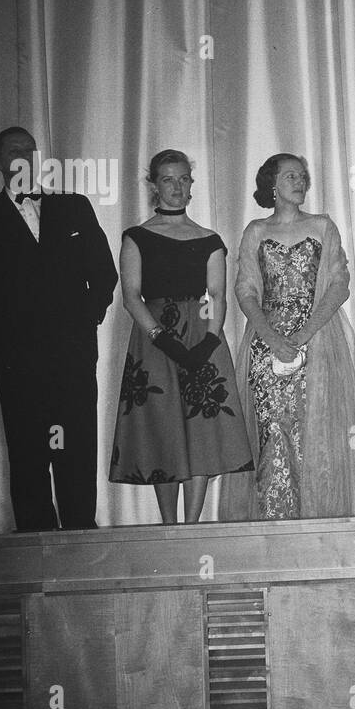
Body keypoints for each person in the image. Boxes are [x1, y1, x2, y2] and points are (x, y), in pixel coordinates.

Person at [0, 127, 118, 530]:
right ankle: (36, 542)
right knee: (27, 451)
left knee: (76, 447)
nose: (23, 157)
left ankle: (81, 537)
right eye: (14, 151)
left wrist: (86, 320)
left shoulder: (74, 206)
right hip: (16, 360)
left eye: (29, 150)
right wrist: (0, 332)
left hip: (73, 355)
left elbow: (103, 273)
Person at [220, 153, 355, 520]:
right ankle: (273, 530)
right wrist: (272, 338)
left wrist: (305, 334)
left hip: (319, 342)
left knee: (317, 435)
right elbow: (245, 290)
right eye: (290, 175)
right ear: (272, 184)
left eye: (302, 176)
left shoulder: (323, 226)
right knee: (272, 434)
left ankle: (317, 530)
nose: (300, 182)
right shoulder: (256, 231)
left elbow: (339, 285)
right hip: (267, 348)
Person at [108, 150, 253, 521]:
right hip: (154, 341)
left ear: (191, 185)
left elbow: (217, 296)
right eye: (168, 179)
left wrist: (209, 342)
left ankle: (192, 527)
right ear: (154, 186)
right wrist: (161, 337)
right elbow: (131, 296)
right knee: (164, 427)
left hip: (201, 338)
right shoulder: (137, 237)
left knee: (202, 428)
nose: (177, 187)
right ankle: (168, 527)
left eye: (183, 179)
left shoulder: (208, 239)